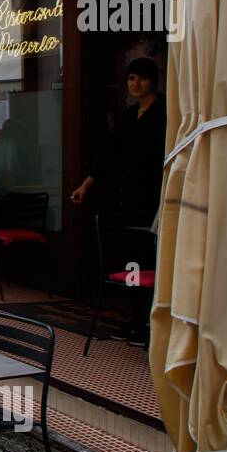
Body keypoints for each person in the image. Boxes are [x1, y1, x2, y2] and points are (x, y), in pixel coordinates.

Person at [70, 56, 166, 344]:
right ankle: (134, 317)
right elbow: (110, 156)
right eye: (131, 78)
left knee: (152, 259)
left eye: (141, 78)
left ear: (153, 81)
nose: (136, 84)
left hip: (154, 198)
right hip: (128, 199)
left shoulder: (165, 114)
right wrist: (86, 185)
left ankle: (151, 322)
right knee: (132, 260)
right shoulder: (128, 115)